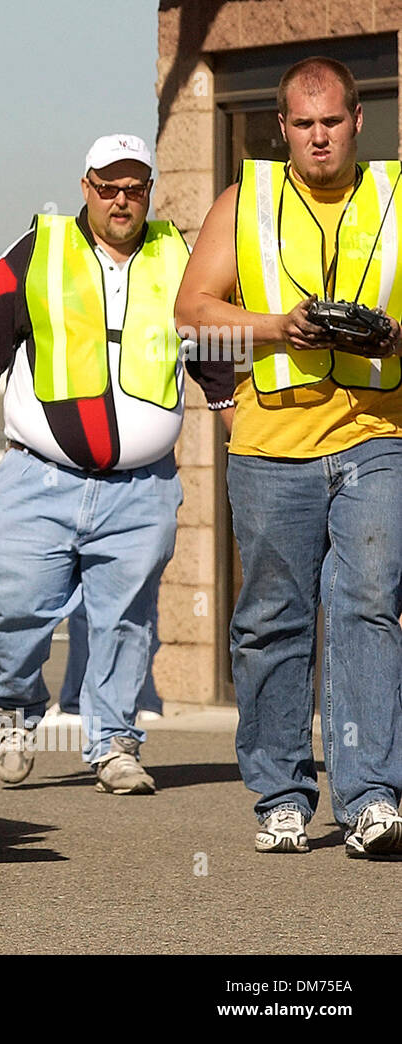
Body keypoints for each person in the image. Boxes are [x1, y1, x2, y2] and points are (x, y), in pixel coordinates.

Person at [0, 134, 235, 793]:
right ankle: (16, 703)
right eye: (109, 187)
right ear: (85, 187)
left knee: (126, 619)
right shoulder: (40, 248)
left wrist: (249, 450)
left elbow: (218, 370)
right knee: (15, 605)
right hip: (38, 479)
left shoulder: (178, 256)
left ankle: (114, 744)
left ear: (150, 193)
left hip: (142, 488)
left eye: (135, 188)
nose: (122, 200)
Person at [176, 57, 402, 858]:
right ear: (281, 128)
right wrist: (280, 327)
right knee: (273, 618)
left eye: (331, 122)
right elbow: (194, 318)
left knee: (370, 602)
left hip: (376, 434)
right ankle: (280, 795)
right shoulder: (246, 202)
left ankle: (372, 796)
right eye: (303, 124)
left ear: (358, 122)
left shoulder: (395, 197)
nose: (318, 137)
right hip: (272, 443)